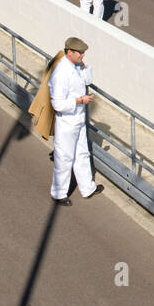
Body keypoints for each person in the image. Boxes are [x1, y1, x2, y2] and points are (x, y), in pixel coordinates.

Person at [49, 37, 104, 205]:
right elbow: (57, 104)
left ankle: (87, 188)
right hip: (67, 121)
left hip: (78, 119)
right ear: (70, 52)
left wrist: (83, 66)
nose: (83, 55)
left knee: (82, 153)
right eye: (80, 52)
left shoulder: (76, 66)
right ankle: (59, 193)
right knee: (64, 157)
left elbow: (87, 80)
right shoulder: (61, 73)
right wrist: (79, 101)